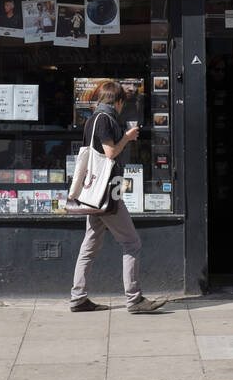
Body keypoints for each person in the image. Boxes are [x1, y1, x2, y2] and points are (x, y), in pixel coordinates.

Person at [70, 80, 166, 314]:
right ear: (118, 101)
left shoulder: (92, 120)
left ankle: (78, 297)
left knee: (90, 245)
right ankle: (134, 299)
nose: (123, 106)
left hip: (94, 193)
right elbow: (110, 152)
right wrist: (128, 137)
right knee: (131, 243)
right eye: (123, 101)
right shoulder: (105, 120)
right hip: (107, 192)